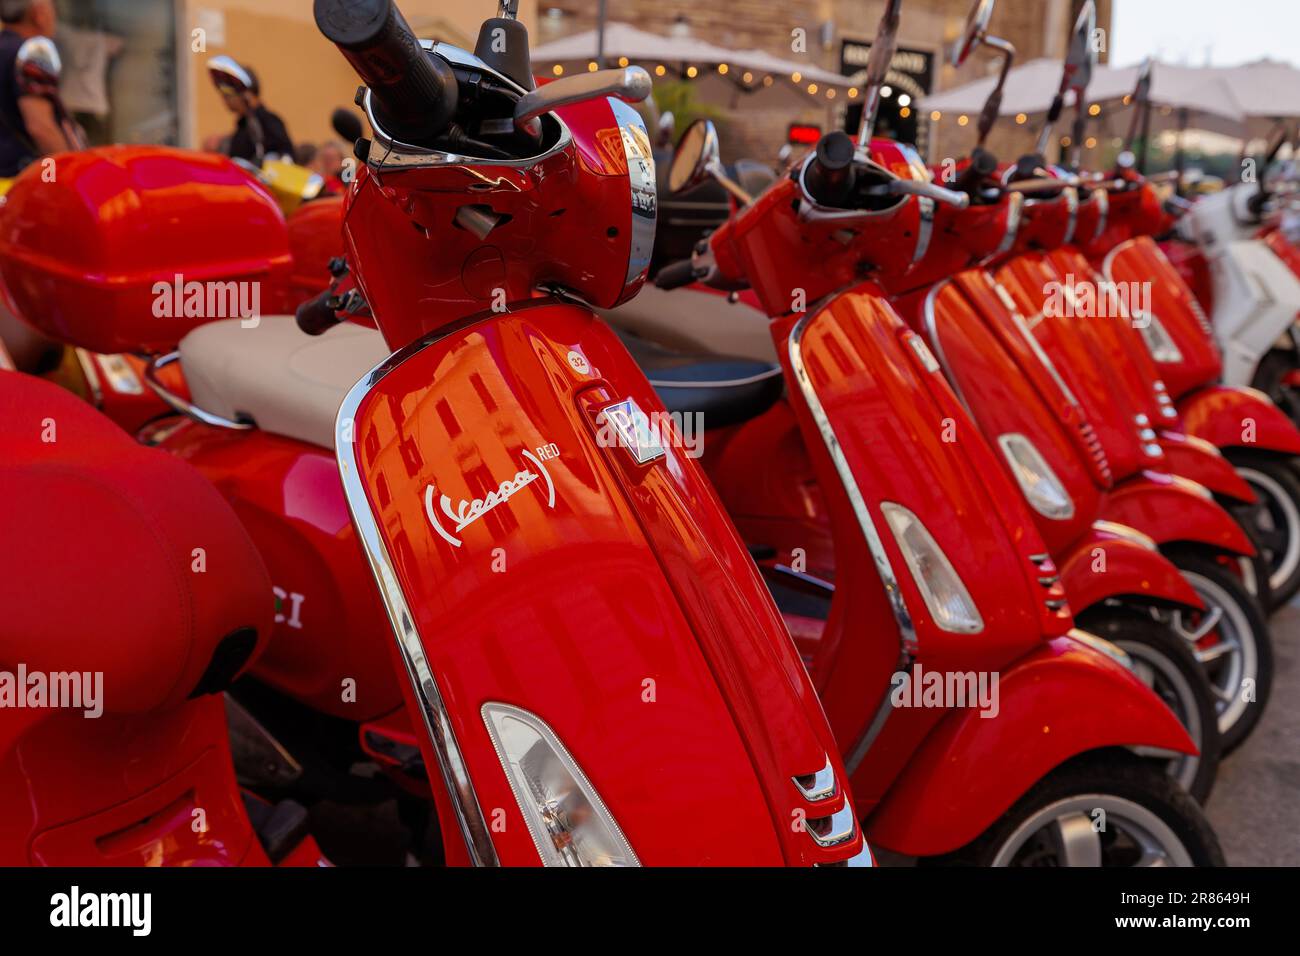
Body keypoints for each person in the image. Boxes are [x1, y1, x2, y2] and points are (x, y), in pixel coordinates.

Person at [0, 0, 73, 177]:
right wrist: (68, 173)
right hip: (27, 178)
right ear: (39, 14)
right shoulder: (36, 50)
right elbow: (41, 127)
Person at [214, 60, 293, 164]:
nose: (225, 100)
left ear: (247, 94)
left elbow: (286, 157)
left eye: (229, 94)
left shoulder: (269, 122)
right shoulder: (242, 127)